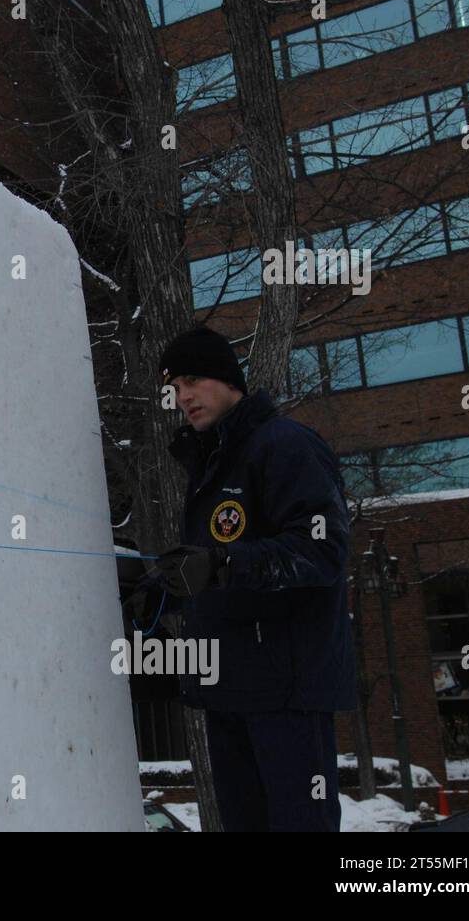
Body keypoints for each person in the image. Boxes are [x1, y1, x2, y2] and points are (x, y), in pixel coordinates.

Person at [149, 326, 356, 831]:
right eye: (175, 388)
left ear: (228, 379)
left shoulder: (285, 445)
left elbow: (321, 549)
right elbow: (213, 575)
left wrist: (222, 564)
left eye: (193, 379)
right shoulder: (211, 468)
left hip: (285, 693)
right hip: (228, 691)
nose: (183, 396)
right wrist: (157, 592)